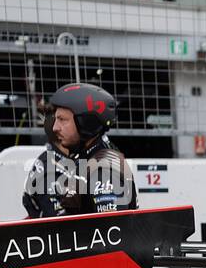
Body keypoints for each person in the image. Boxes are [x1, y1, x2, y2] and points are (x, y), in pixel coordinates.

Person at [22, 82, 137, 218]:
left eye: (62, 120)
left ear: (86, 122)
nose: (55, 128)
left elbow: (112, 233)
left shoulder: (103, 170)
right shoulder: (87, 160)